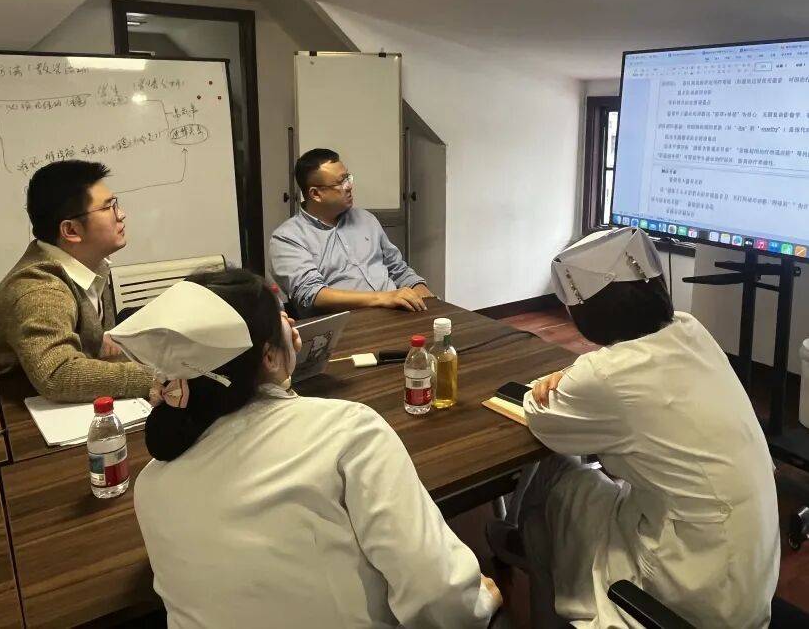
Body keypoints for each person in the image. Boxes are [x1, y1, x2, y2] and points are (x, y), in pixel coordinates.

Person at [125, 269, 502, 628]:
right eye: (281, 316)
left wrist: (277, 368)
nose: (291, 322)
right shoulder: (348, 432)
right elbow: (439, 596)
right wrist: (478, 601)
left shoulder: (151, 486)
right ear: (268, 356)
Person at [510, 228, 779, 628]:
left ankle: (524, 556)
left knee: (556, 479)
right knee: (595, 485)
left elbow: (540, 414)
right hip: (749, 576)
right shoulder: (690, 329)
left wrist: (561, 380)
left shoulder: (606, 375)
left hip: (692, 593)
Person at [0, 160, 152, 402]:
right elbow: (57, 374)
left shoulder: (90, 263)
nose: (121, 214)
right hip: (22, 415)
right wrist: (156, 377)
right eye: (108, 207)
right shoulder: (37, 288)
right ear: (71, 231)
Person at [269, 148, 434, 317]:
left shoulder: (366, 219)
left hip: (395, 314)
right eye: (340, 182)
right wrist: (383, 298)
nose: (349, 186)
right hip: (344, 325)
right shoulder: (288, 237)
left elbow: (397, 268)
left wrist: (423, 292)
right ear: (316, 194)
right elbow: (311, 294)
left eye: (347, 177)